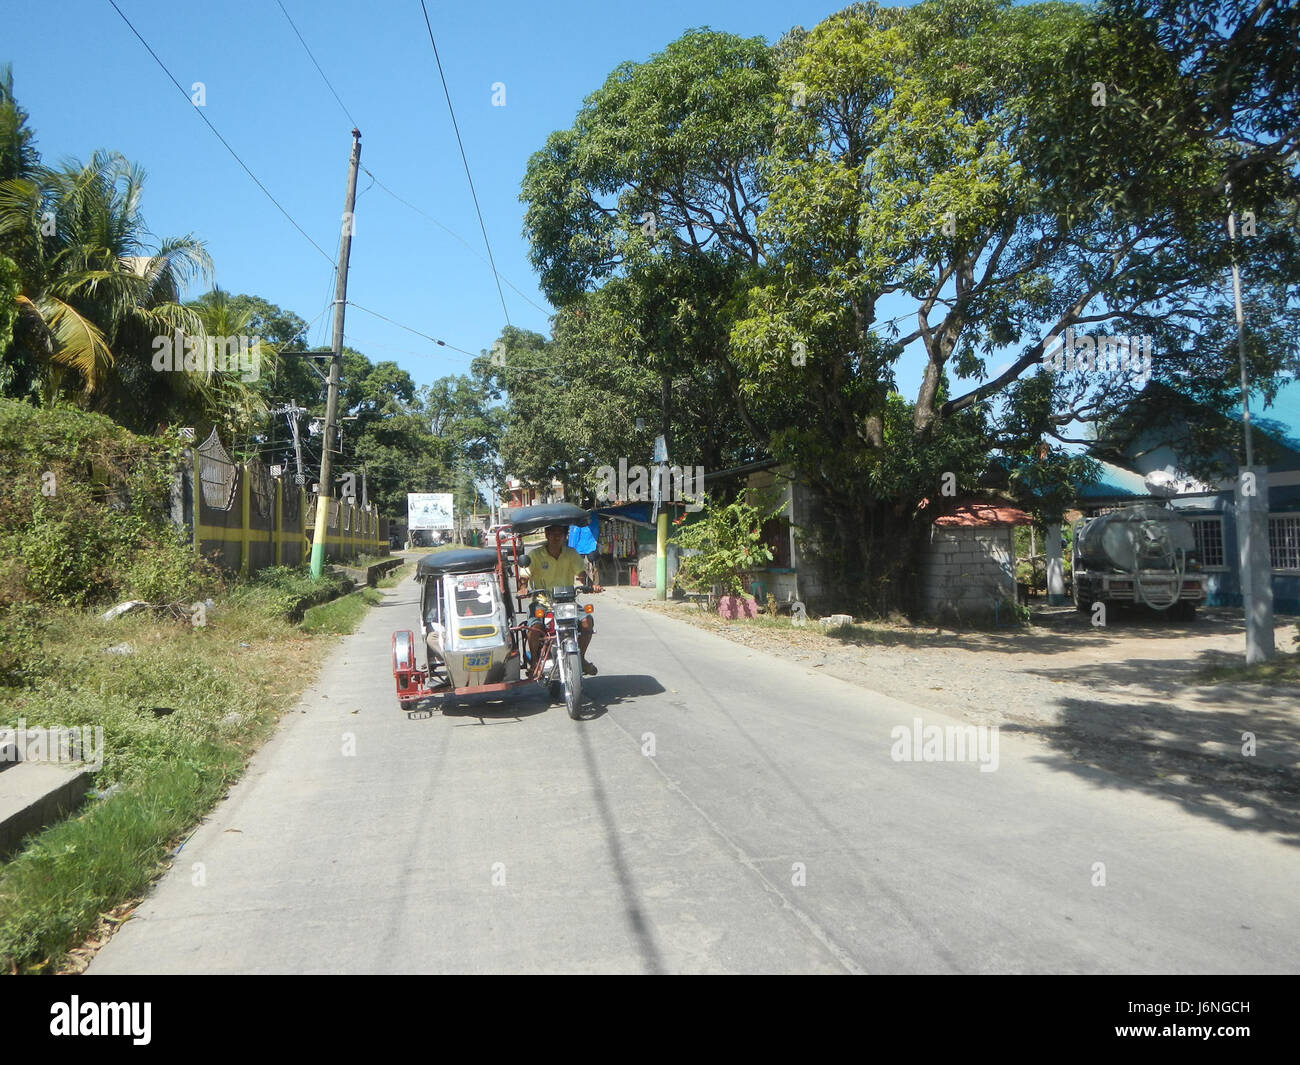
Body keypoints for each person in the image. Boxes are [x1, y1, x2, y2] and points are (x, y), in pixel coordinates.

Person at [525, 524, 597, 675]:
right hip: (542, 602)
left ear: (565, 536)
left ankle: (581, 659)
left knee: (586, 621)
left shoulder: (571, 554)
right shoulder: (535, 555)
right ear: (546, 535)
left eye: (560, 533)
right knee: (535, 628)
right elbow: (524, 575)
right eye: (552, 533)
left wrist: (591, 586)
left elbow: (581, 574)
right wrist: (522, 588)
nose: (556, 537)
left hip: (567, 602)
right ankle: (534, 663)